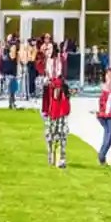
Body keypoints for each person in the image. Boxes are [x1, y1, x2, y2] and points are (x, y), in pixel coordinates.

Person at [41, 40, 69, 169]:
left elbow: (61, 75)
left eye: (50, 48)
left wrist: (57, 83)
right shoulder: (47, 62)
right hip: (50, 101)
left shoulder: (60, 60)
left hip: (60, 101)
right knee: (49, 130)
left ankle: (62, 157)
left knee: (62, 130)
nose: (48, 50)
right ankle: (50, 153)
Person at [1, 44, 18, 109]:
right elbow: (2, 65)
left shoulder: (15, 56)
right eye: (13, 48)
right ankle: (11, 103)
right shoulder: (6, 57)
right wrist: (3, 73)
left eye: (15, 48)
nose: (14, 50)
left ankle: (11, 103)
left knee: (13, 90)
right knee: (10, 90)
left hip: (14, 75)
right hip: (8, 75)